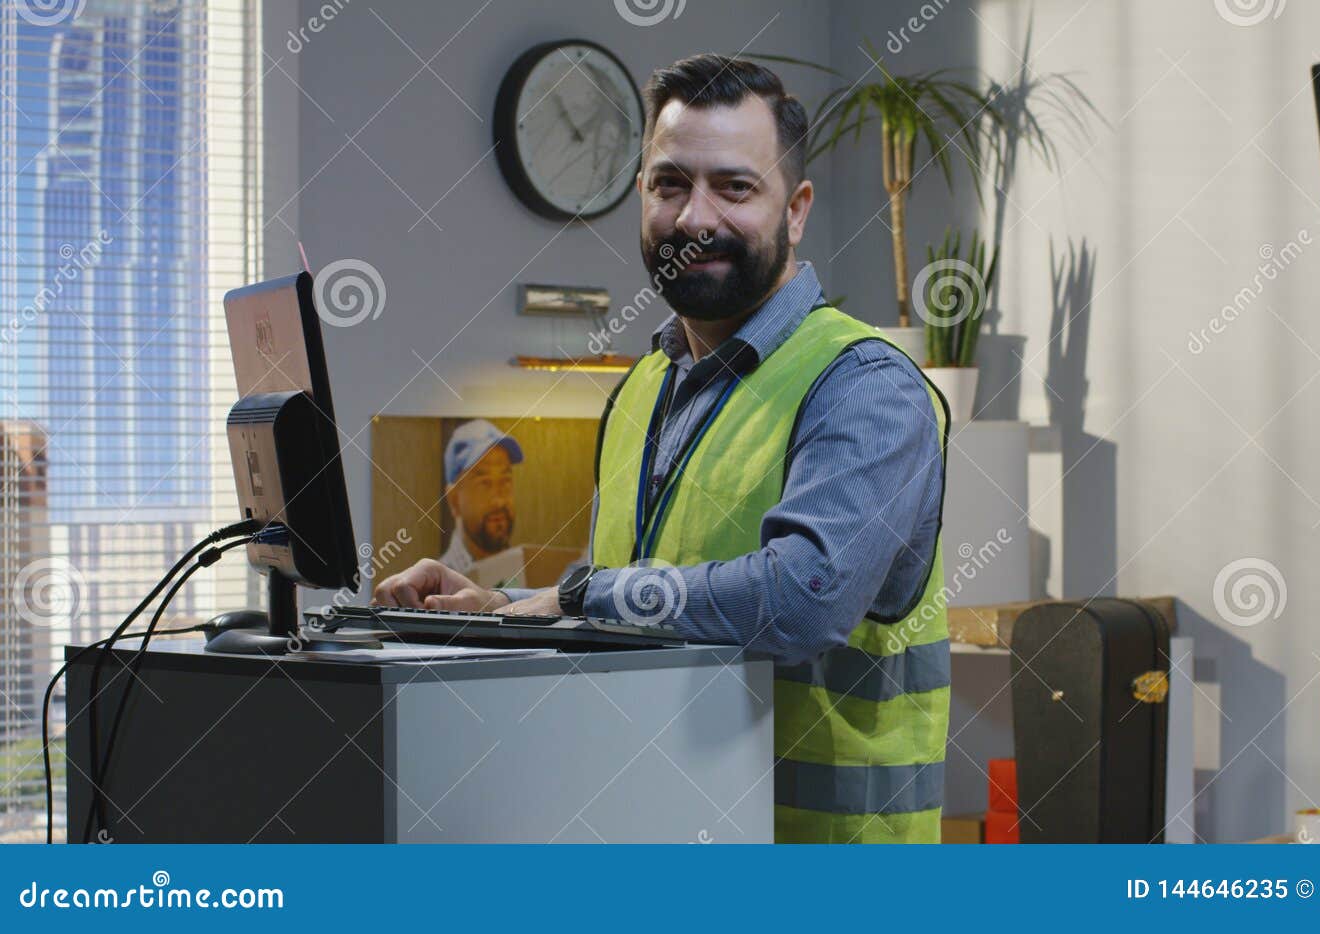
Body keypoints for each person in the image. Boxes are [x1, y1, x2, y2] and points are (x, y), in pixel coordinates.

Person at [374, 54, 949, 844]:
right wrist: (504, 610)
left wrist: (577, 595)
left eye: (734, 187)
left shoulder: (863, 386)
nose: (694, 218)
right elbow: (643, 611)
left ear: (798, 209)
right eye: (670, 184)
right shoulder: (641, 387)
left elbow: (804, 598)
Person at [436, 419, 522, 575]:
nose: (499, 500)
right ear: (454, 500)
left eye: (505, 481)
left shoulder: (527, 577)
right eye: (484, 484)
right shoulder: (436, 589)